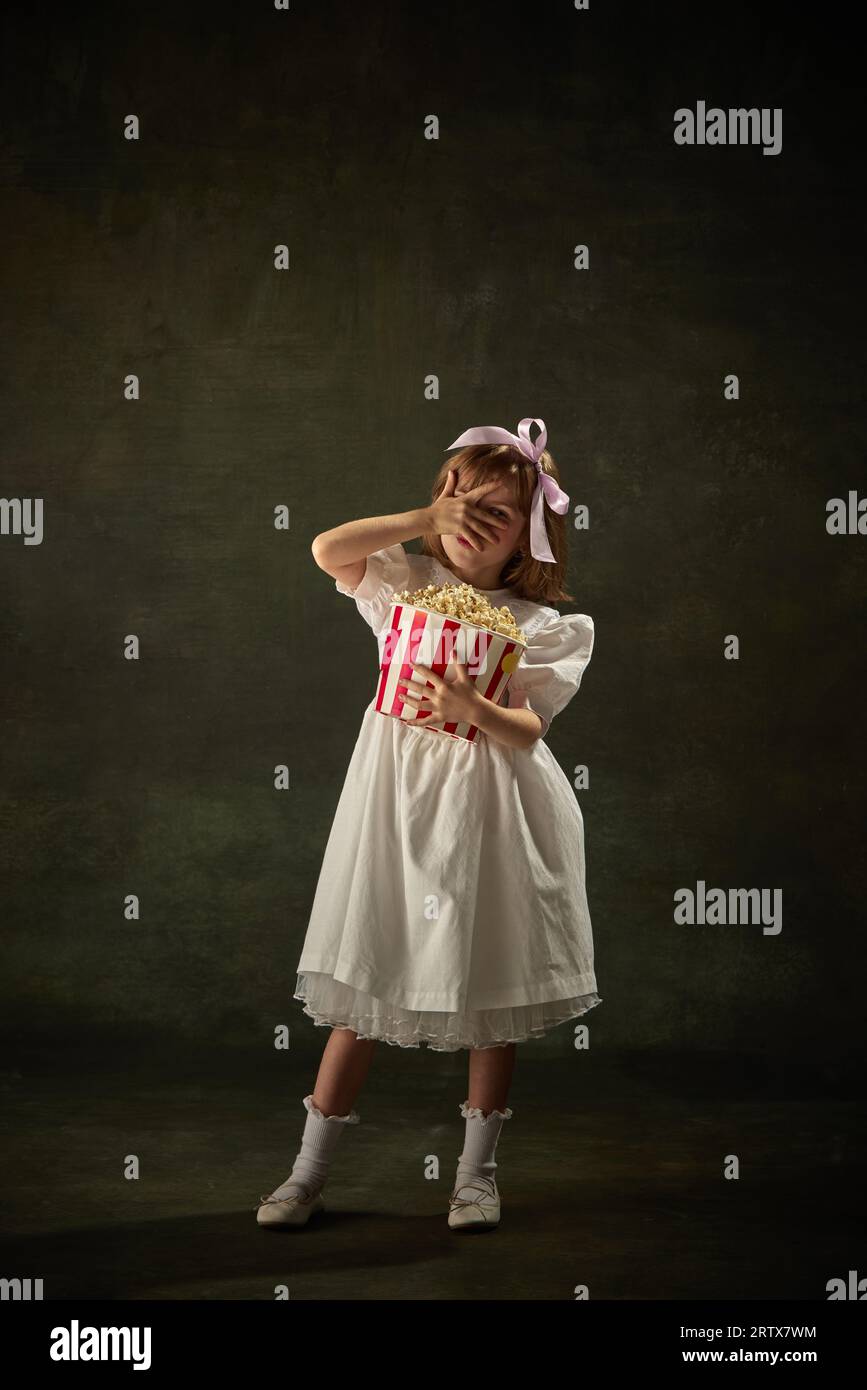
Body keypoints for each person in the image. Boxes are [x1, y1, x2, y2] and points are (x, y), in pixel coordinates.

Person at [257, 418, 600, 1232]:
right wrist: (420, 520)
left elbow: (527, 731)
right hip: (393, 802)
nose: (478, 523)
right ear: (442, 498)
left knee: (488, 976)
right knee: (364, 975)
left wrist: (470, 706)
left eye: (503, 514)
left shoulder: (541, 625)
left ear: (531, 534)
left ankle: (475, 1177)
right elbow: (324, 550)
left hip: (488, 805)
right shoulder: (403, 581)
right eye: (465, 503)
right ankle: (306, 1173)